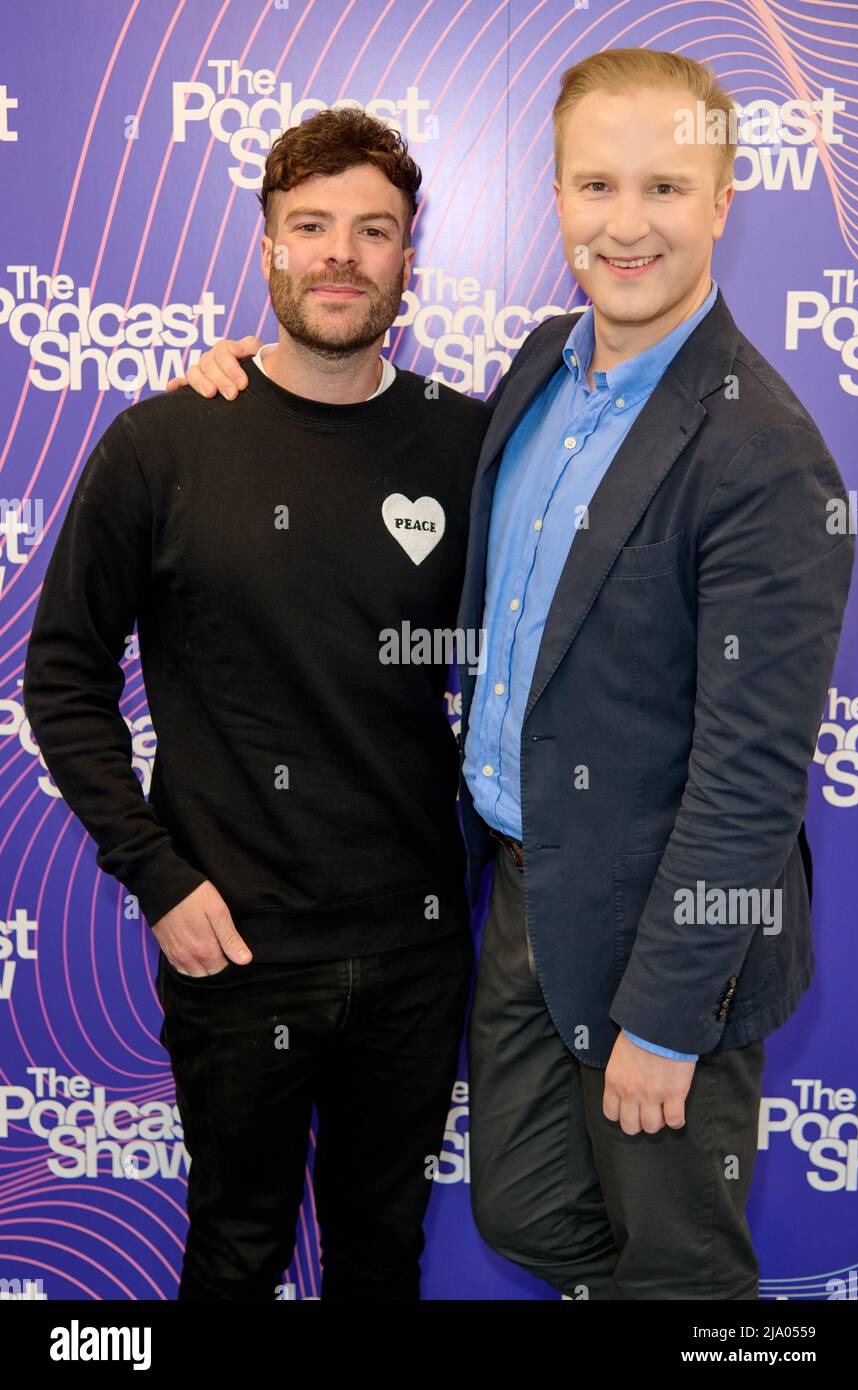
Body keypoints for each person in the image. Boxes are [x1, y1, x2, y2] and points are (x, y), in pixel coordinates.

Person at [169, 50, 855, 1300]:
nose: (626, 222)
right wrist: (243, 383)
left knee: (683, 1273)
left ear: (721, 200)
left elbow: (750, 778)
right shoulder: (540, 365)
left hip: (663, 924)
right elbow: (361, 443)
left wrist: (663, 1016)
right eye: (596, 185)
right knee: (527, 1206)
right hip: (523, 896)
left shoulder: (762, 452)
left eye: (664, 186)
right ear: (554, 199)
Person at [22, 107, 491, 1301]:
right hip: (234, 945)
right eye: (311, 225)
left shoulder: (471, 448)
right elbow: (62, 672)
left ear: (406, 256)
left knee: (382, 1256)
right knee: (236, 1248)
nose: (341, 253)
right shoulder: (164, 443)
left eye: (371, 230)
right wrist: (156, 873)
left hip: (415, 942)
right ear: (268, 247)